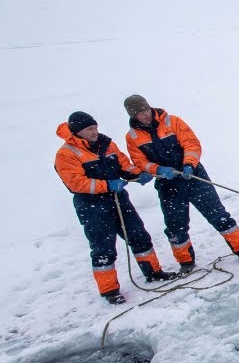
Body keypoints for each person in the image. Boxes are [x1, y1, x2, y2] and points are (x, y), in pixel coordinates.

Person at [54, 111, 177, 305]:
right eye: (90, 129)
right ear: (78, 131)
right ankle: (109, 290)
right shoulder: (67, 154)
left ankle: (153, 272)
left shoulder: (106, 144)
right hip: (92, 206)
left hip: (118, 199)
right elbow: (75, 183)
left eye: (95, 128)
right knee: (103, 247)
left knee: (139, 236)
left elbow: (123, 164)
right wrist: (107, 185)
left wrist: (137, 174)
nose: (94, 132)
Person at [122, 95, 239, 272]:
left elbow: (191, 144)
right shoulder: (132, 137)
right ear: (133, 115)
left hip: (193, 176)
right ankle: (186, 262)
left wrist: (189, 164)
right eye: (139, 113)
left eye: (145, 110)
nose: (145, 114)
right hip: (168, 184)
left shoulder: (172, 121)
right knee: (175, 226)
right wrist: (158, 170)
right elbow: (140, 161)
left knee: (218, 214)